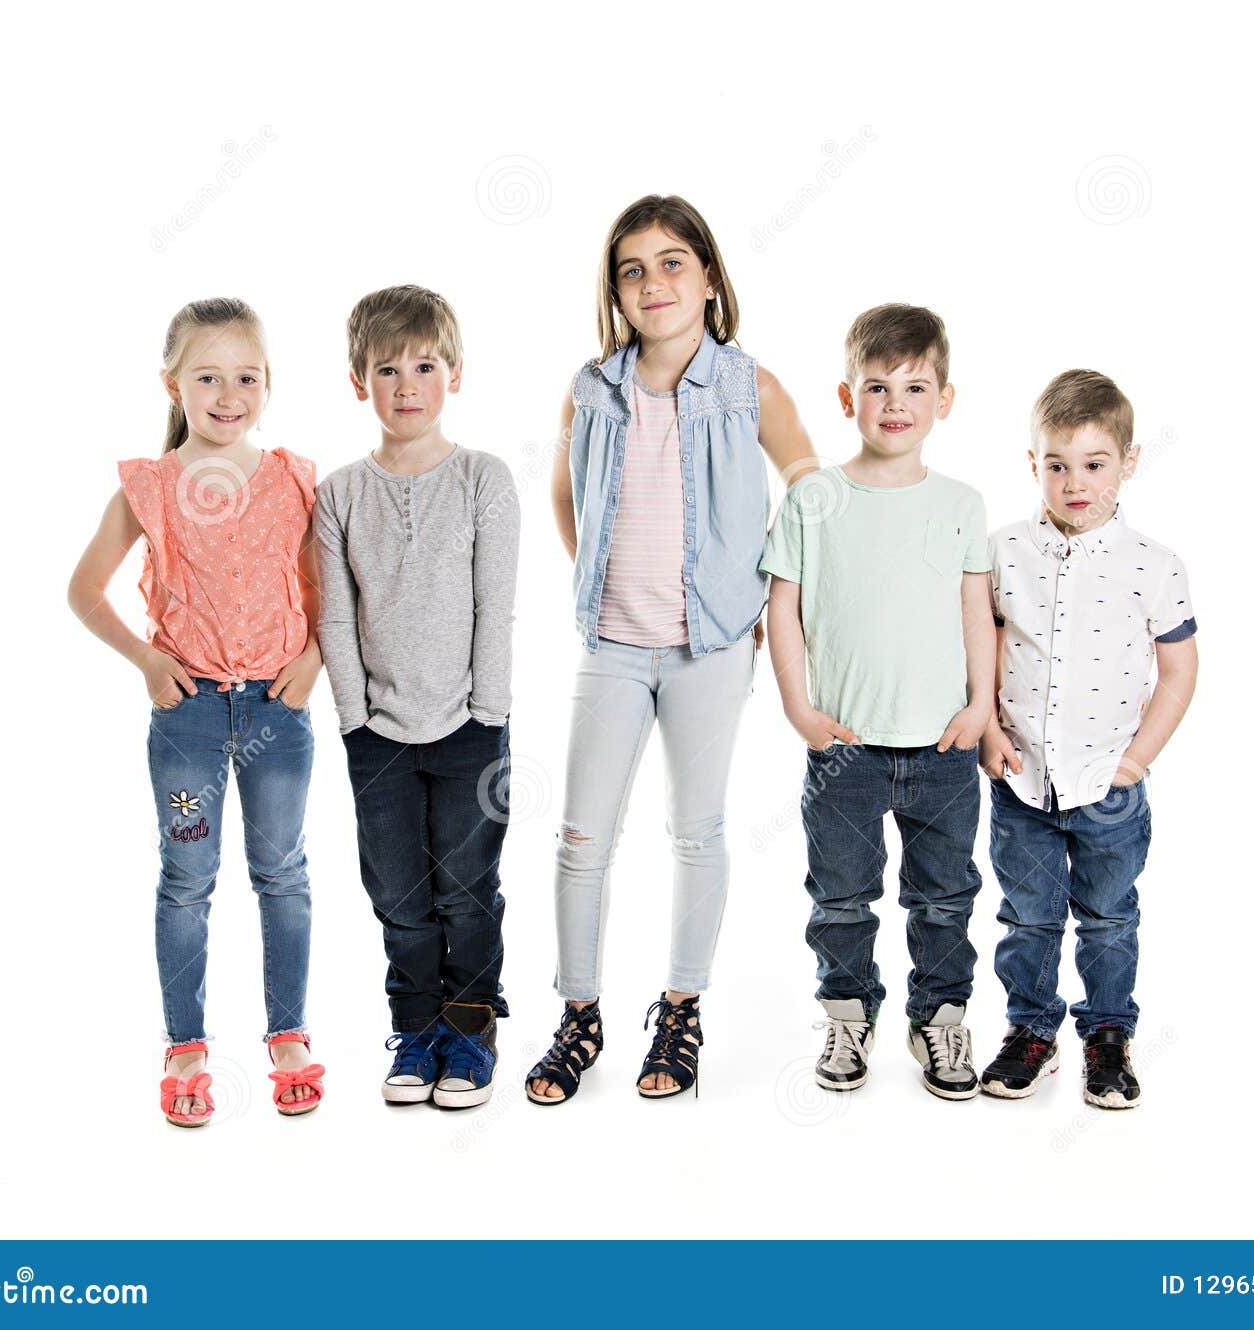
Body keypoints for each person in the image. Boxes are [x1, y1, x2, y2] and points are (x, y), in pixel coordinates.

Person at [524, 194, 817, 1104]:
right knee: (581, 836)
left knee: (697, 830)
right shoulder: (594, 388)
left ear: (711, 276)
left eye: (672, 262)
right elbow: (567, 494)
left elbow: (807, 488)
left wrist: (769, 600)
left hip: (712, 647)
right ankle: (579, 1014)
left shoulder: (747, 386)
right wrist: (595, 579)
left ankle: (681, 1010)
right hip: (613, 644)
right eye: (632, 268)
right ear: (615, 290)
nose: (653, 282)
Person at [67, 297, 325, 1127]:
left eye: (245, 377)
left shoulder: (293, 480)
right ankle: (185, 1046)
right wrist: (148, 661)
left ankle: (288, 1035)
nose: (228, 394)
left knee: (281, 871)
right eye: (207, 377)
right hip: (188, 721)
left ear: (268, 385)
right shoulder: (152, 488)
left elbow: (333, 591)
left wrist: (314, 659)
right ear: (172, 385)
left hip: (278, 717)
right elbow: (83, 590)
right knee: (187, 878)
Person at [761, 303, 994, 1100]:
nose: (896, 403)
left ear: (945, 401)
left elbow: (976, 614)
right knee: (840, 896)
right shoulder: (814, 499)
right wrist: (799, 708)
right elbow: (783, 608)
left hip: (942, 746)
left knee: (944, 896)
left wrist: (980, 708)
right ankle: (846, 1013)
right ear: (845, 397)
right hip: (845, 746)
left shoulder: (962, 505)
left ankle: (941, 1017)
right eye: (878, 386)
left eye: (916, 386)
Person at [316, 286, 519, 1108]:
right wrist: (357, 722)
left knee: (466, 890)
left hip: (471, 724)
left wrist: (491, 713)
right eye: (388, 367)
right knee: (398, 892)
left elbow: (492, 605)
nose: (407, 383)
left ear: (456, 375)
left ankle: (470, 1031)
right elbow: (335, 612)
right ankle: (417, 1028)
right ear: (358, 380)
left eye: (426, 365)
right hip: (378, 736)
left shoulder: (483, 479)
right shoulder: (339, 493)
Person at [978, 369, 1199, 1108]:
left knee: (1108, 917)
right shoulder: (1001, 551)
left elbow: (1178, 668)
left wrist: (1138, 759)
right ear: (1033, 464)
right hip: (1021, 781)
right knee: (1027, 917)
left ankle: (1107, 1038)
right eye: (1057, 465)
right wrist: (985, 733)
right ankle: (1030, 1032)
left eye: (1095, 464)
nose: (1076, 483)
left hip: (1109, 786)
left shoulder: (1154, 564)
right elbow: (978, 651)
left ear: (1128, 462)